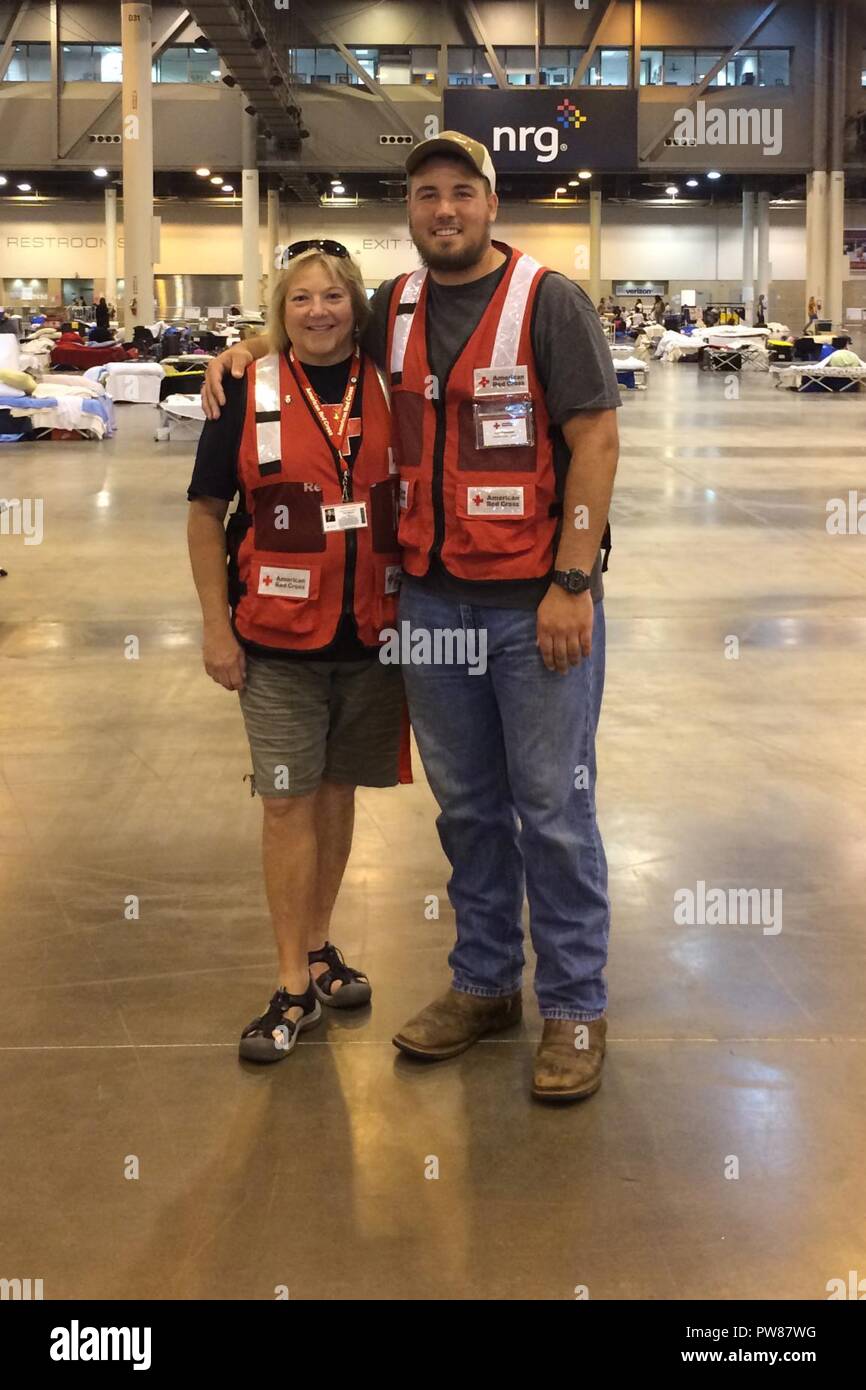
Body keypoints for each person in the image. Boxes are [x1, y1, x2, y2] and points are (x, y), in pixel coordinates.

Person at [203, 131, 620, 1104]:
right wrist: (250, 346)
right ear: (410, 211)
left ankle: (573, 1003)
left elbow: (594, 438)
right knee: (468, 808)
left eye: (461, 193)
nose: (443, 210)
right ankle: (483, 985)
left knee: (552, 811)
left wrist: (572, 577)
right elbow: (316, 331)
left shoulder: (545, 302)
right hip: (429, 603)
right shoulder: (392, 306)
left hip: (531, 606)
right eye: (426, 194)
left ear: (490, 203)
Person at [188, 241, 406, 1064]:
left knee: (339, 791)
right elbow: (207, 513)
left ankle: (320, 946)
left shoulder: (388, 380)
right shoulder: (245, 385)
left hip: (373, 633)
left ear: (358, 306)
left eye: (334, 297)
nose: (319, 311)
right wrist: (216, 626)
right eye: (301, 299)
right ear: (280, 310)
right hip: (275, 639)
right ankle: (288, 986)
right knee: (286, 802)